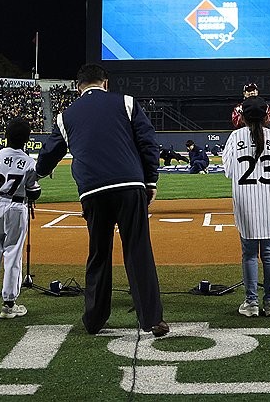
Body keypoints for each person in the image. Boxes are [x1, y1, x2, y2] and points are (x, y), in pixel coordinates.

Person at [35, 63, 168, 338]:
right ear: (105, 82)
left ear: (78, 86)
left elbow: (49, 155)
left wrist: (38, 173)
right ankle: (152, 319)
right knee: (138, 249)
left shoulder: (65, 115)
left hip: (92, 190)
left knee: (98, 253)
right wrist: (151, 180)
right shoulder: (127, 102)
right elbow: (148, 142)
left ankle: (94, 320)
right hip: (129, 184)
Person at [221, 94, 270, 317]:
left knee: (249, 254)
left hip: (246, 203)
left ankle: (251, 303)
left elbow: (228, 171)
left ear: (242, 115)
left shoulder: (235, 136)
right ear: (265, 115)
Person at [0, 116, 42, 320]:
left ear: (5, 135)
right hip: (16, 208)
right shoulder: (30, 162)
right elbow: (34, 192)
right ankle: (8, 305)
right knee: (13, 255)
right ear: (27, 139)